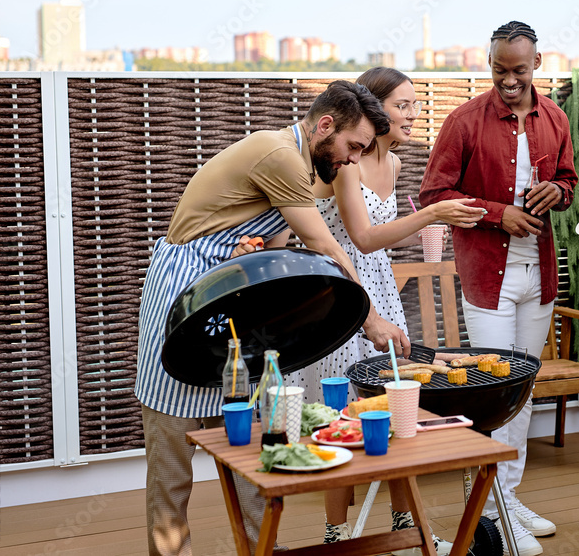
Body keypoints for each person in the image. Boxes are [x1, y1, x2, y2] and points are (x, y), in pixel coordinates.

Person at [134, 80, 410, 556]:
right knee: (173, 458)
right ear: (325, 125)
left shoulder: (300, 165)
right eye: (351, 146)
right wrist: (370, 317)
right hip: (184, 298)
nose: (351, 160)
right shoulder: (278, 153)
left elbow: (278, 252)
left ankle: (261, 550)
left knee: (254, 449)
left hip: (234, 307)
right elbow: (325, 243)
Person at [292, 67, 485, 554]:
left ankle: (409, 527)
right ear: (374, 112)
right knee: (342, 415)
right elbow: (361, 237)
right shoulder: (345, 165)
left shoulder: (395, 165)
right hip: (338, 297)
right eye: (403, 104)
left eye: (416, 104)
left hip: (381, 293)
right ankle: (337, 537)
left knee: (399, 410)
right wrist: (434, 213)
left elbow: (380, 246)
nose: (413, 114)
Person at [420, 20, 578, 556]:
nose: (509, 80)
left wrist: (556, 190)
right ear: (490, 65)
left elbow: (571, 181)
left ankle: (507, 497)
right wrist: (497, 215)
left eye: (519, 70)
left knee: (523, 389)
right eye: (499, 70)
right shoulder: (464, 120)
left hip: (541, 275)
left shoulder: (554, 117)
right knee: (494, 389)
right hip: (489, 277)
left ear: (537, 65)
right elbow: (433, 194)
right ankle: (491, 512)